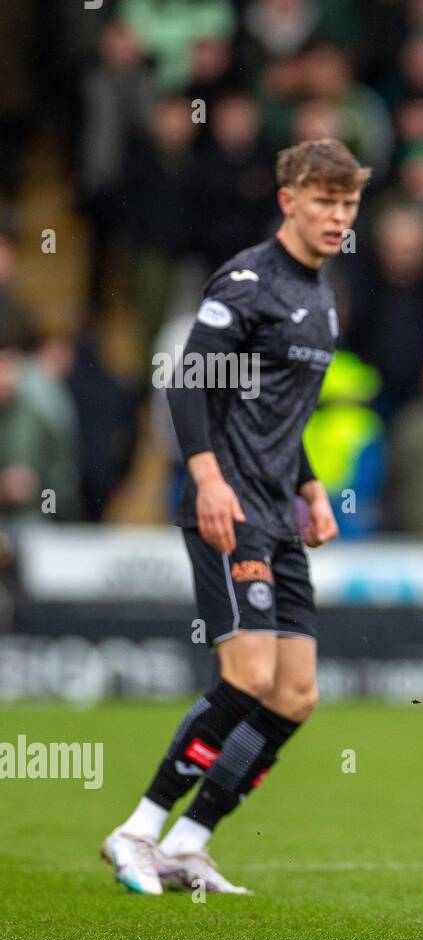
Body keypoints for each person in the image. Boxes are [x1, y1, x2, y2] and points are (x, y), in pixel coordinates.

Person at [101, 139, 369, 895]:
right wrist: (208, 480)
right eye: (324, 202)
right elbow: (188, 385)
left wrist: (312, 486)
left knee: (295, 694)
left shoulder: (323, 295)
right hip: (228, 508)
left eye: (347, 205)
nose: (336, 217)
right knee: (249, 676)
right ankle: (137, 828)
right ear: (288, 200)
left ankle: (189, 841)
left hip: (279, 512)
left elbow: (281, 412)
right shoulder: (249, 280)